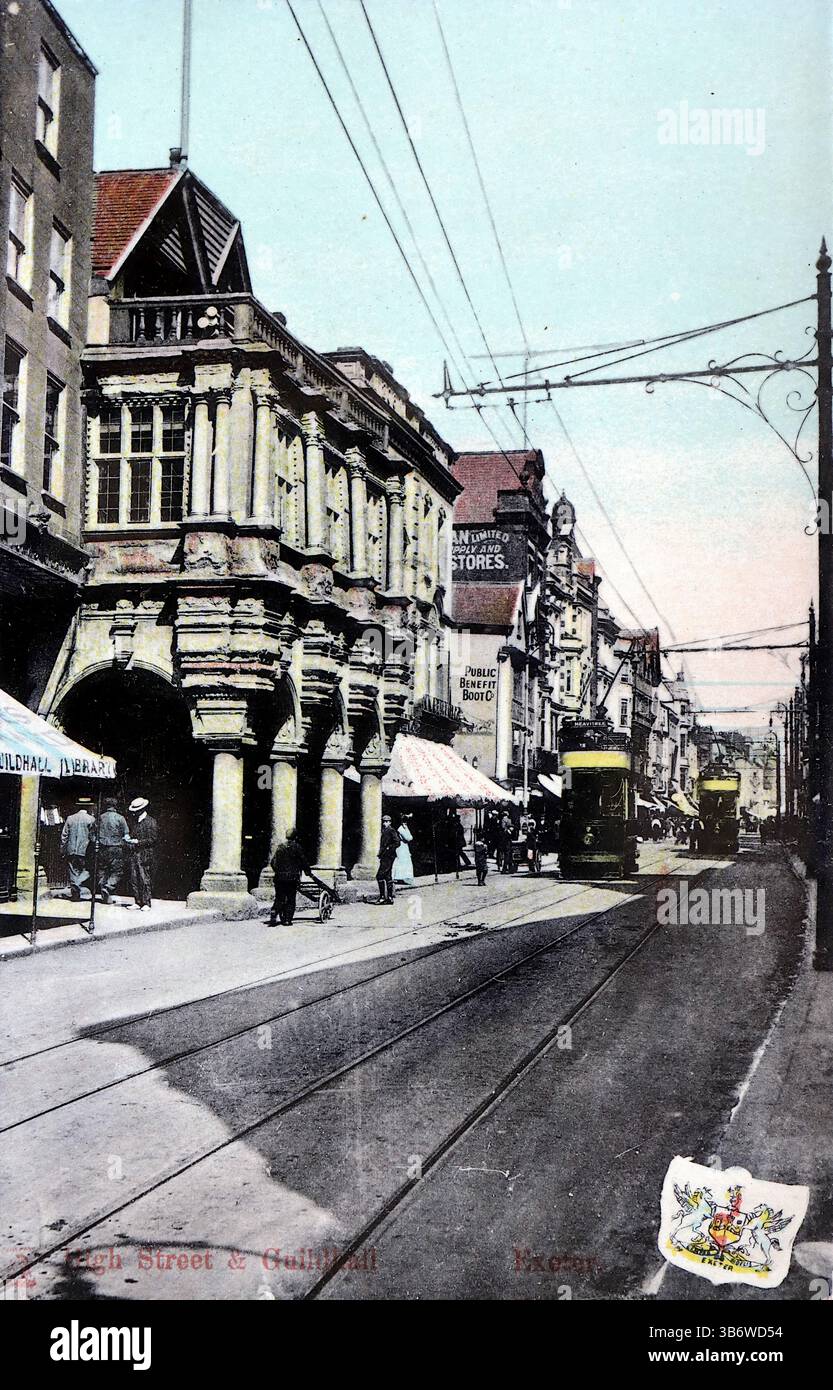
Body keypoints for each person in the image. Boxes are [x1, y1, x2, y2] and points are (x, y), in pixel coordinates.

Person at [268, 828, 311, 926]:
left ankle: (274, 910)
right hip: (292, 878)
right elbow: (303, 861)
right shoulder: (297, 847)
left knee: (279, 897)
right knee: (291, 898)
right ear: (295, 837)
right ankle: (287, 920)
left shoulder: (280, 847)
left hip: (279, 878)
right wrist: (307, 871)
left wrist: (279, 872)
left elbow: (273, 862)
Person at [126, 797, 158, 912]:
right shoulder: (135, 821)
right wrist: (129, 839)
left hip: (145, 854)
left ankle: (146, 902)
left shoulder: (151, 821)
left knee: (144, 878)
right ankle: (137, 901)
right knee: (134, 878)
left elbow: (153, 839)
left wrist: (138, 842)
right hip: (134, 853)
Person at [60, 799, 95, 901]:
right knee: (87, 870)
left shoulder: (70, 818)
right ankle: (77, 884)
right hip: (85, 850)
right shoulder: (91, 819)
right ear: (88, 807)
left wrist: (63, 848)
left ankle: (75, 895)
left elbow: (64, 836)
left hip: (71, 850)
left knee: (73, 871)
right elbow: (93, 837)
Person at [96, 797, 130, 903]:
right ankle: (108, 887)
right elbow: (126, 834)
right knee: (117, 871)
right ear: (116, 806)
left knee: (102, 871)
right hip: (116, 848)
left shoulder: (99, 818)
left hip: (102, 848)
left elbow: (93, 832)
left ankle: (104, 892)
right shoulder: (120, 818)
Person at [376, 815, 401, 904]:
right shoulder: (384, 830)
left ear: (390, 822)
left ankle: (382, 897)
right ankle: (390, 898)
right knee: (387, 876)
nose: (384, 823)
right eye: (383, 821)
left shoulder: (391, 830)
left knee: (379, 876)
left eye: (386, 822)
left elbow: (397, 842)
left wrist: (389, 848)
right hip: (385, 856)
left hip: (388, 856)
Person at [393, 815, 415, 887]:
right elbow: (409, 838)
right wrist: (406, 829)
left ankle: (400, 878)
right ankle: (398, 877)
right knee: (401, 862)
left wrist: (406, 828)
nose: (405, 824)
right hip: (401, 847)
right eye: (404, 822)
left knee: (403, 862)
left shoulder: (402, 828)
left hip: (404, 847)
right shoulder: (400, 829)